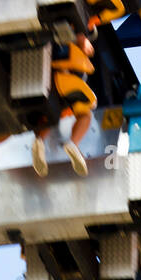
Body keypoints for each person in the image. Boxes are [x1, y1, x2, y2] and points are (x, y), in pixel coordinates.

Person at [32, 31, 97, 178]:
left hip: (54, 87)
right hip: (64, 82)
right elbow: (84, 43)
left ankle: (39, 141)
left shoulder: (66, 34)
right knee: (86, 114)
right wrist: (86, 44)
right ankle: (73, 143)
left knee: (52, 116)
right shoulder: (73, 33)